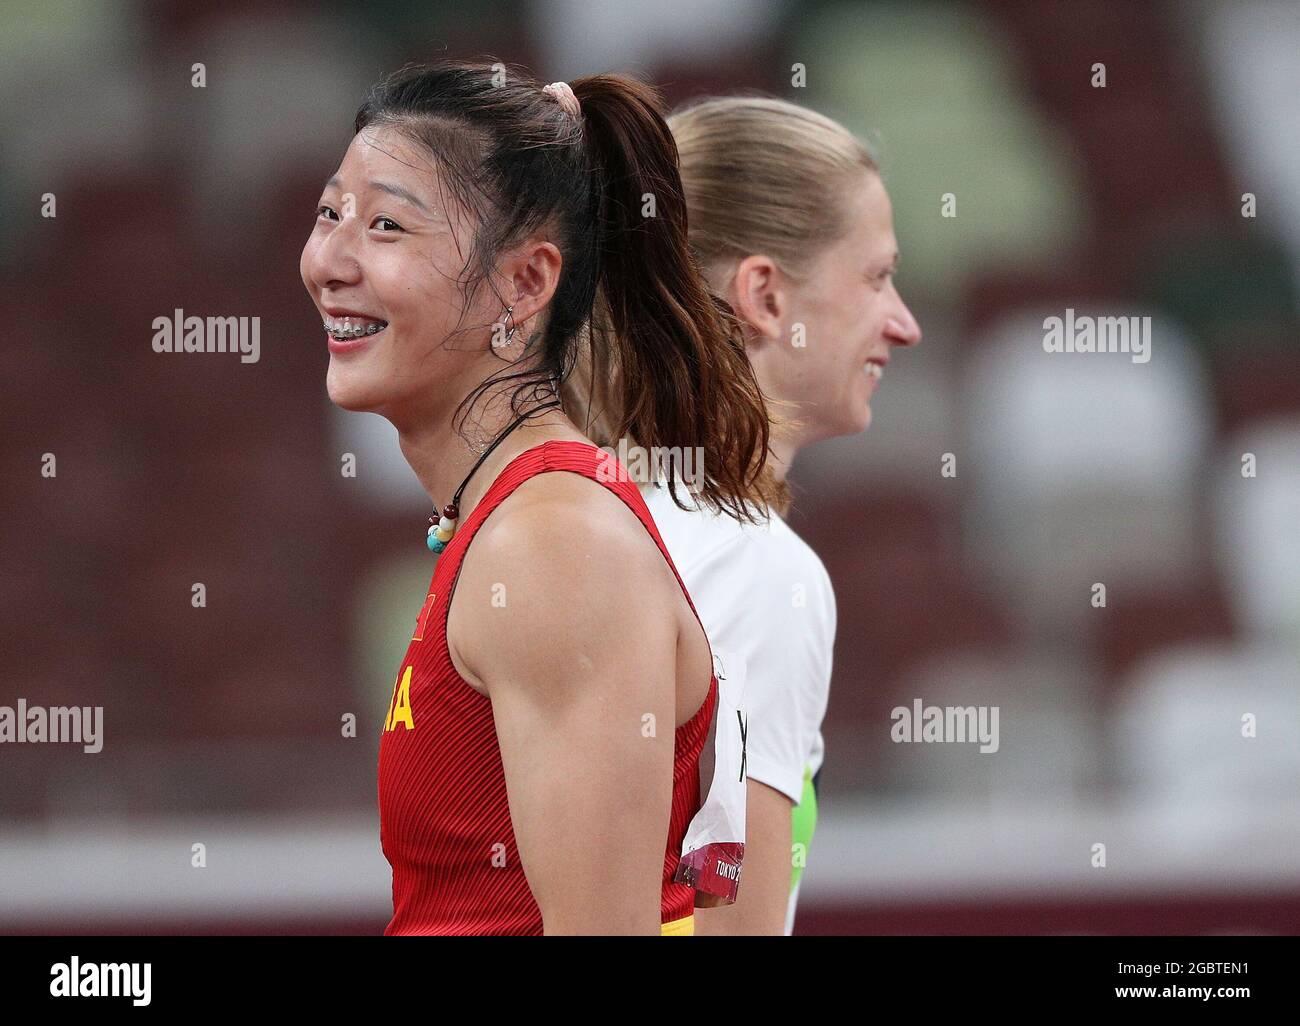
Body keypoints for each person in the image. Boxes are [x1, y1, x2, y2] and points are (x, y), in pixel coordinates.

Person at [300, 62, 778, 935]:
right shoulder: (510, 526)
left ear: (524, 284)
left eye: (386, 226)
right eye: (331, 213)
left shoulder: (553, 546)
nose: (329, 261)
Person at [566, 95, 922, 934]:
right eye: (875, 277)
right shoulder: (759, 570)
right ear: (764, 296)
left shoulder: (561, 518)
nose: (903, 323)